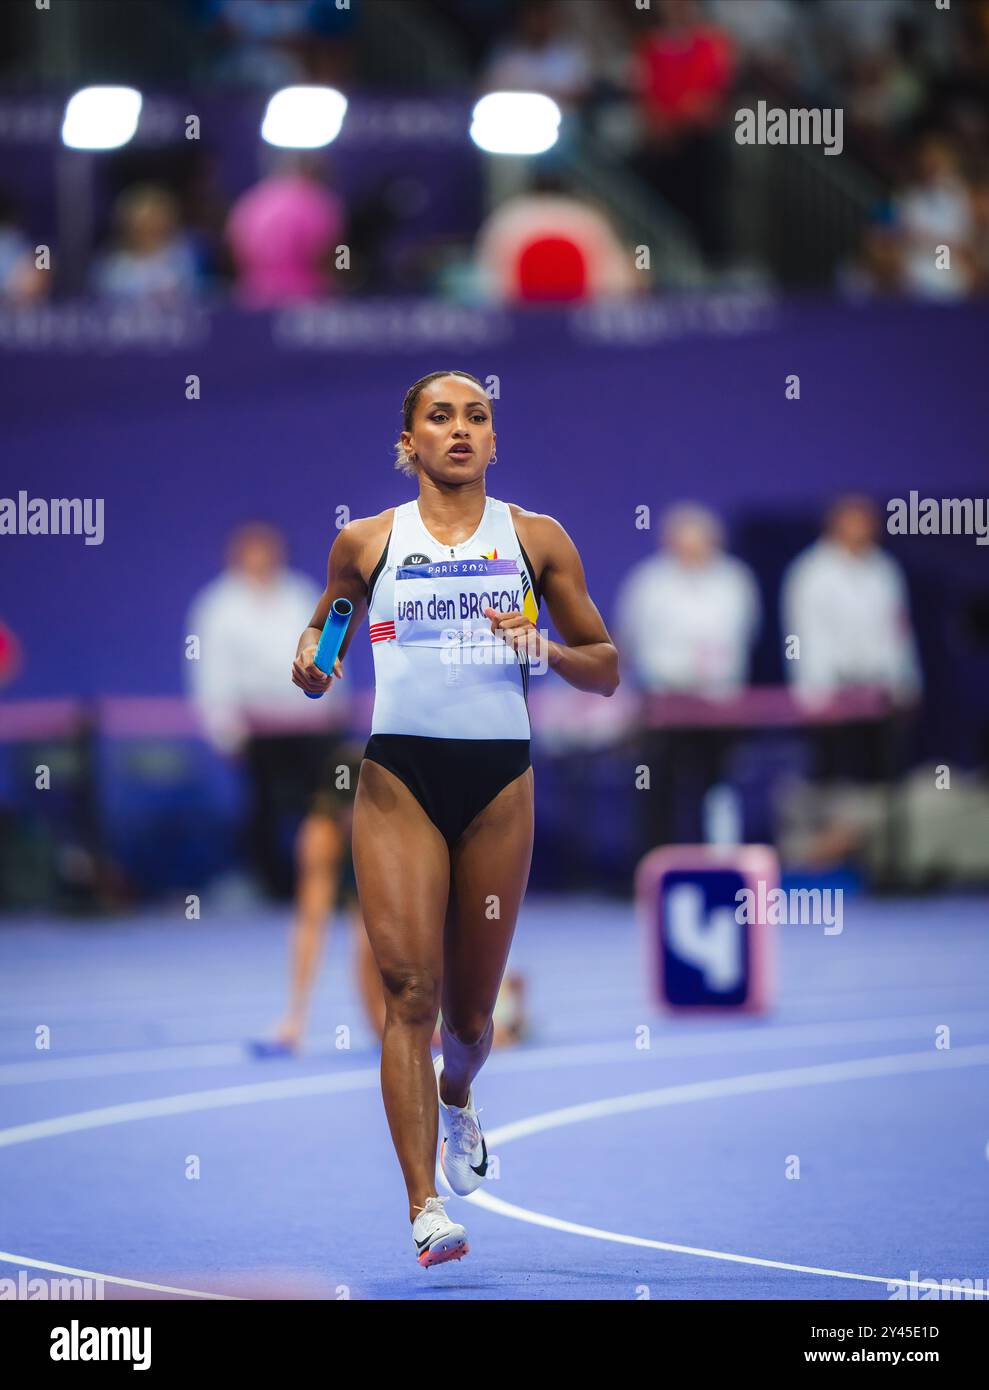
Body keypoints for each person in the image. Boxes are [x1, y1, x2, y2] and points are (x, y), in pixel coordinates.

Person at [291, 370, 619, 1267]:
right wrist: (313, 664)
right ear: (410, 442)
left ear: (493, 440)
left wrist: (545, 650)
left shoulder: (535, 538)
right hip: (399, 777)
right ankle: (423, 1205)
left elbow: (606, 667)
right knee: (410, 994)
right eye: (441, 417)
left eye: (477, 416)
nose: (461, 430)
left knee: (468, 1022)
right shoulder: (363, 542)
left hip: (497, 787)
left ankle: (460, 1095)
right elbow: (327, 636)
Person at [614, 502, 760, 848]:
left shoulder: (735, 581)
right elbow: (627, 640)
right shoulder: (647, 582)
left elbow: (745, 636)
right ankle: (652, 866)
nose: (691, 551)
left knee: (718, 785)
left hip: (718, 707)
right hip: (662, 708)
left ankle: (721, 862)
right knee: (655, 786)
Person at [781, 494, 922, 784]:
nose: (865, 529)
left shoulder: (884, 569)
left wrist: (906, 682)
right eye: (855, 522)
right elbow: (801, 636)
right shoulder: (811, 572)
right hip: (834, 698)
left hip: (880, 694)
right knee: (834, 783)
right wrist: (814, 694)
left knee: (883, 780)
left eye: (868, 522)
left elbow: (898, 630)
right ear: (835, 525)